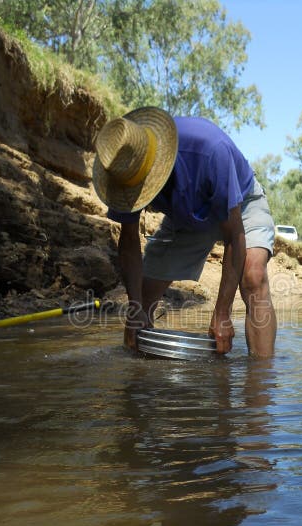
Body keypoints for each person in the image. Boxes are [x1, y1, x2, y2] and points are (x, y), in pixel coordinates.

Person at [91, 106, 276, 357]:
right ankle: (138, 382)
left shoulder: (210, 150)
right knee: (143, 297)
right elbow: (129, 244)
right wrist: (134, 309)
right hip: (186, 217)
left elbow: (235, 236)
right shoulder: (121, 170)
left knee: (253, 276)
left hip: (241, 205)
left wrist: (222, 312)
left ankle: (260, 383)